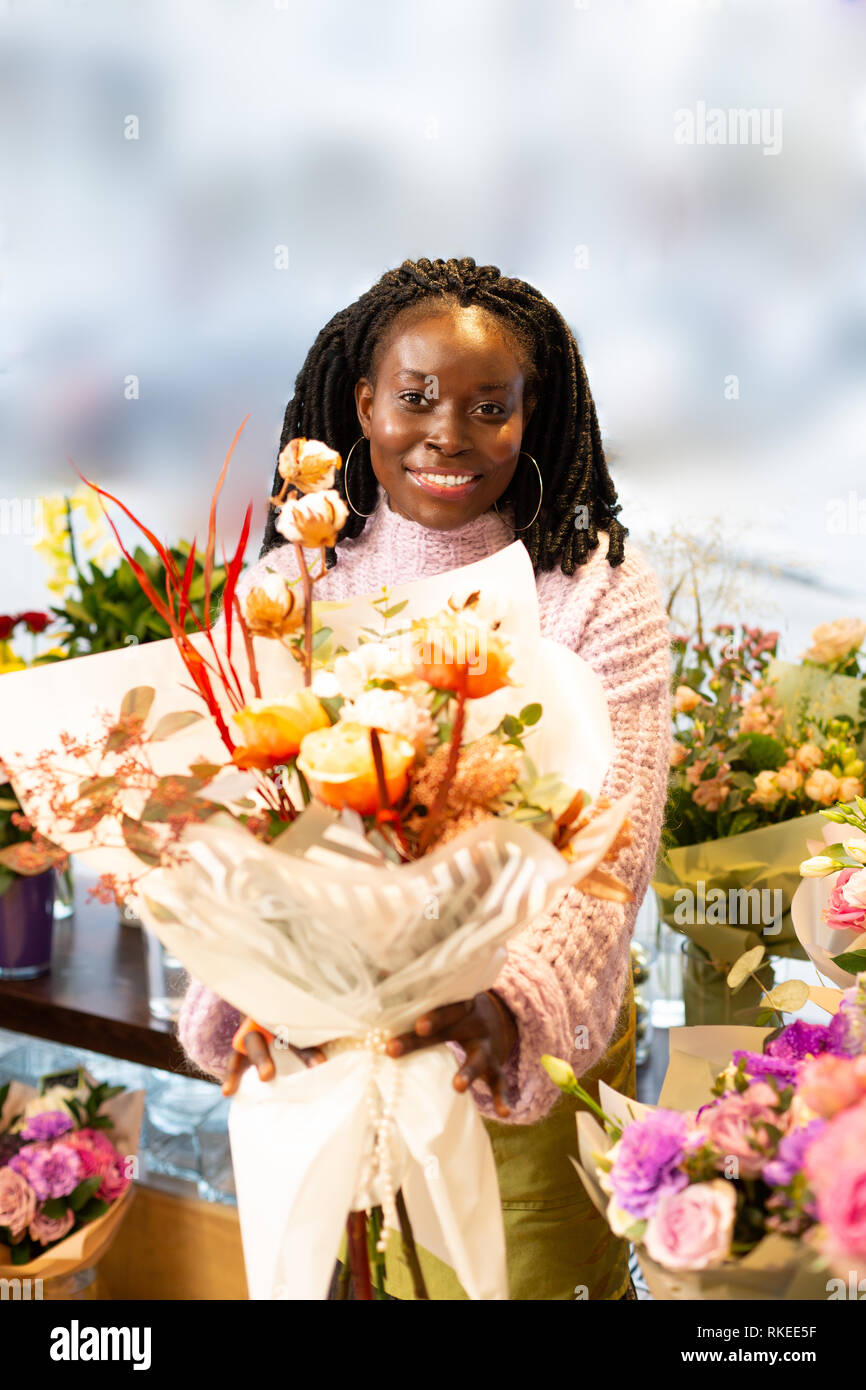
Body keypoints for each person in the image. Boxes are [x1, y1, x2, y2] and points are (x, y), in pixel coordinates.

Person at [177, 255, 672, 1300]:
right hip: (323, 1043)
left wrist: (509, 1003)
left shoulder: (595, 595)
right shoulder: (290, 584)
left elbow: (612, 847)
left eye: (487, 406)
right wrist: (243, 984)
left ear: (532, 418)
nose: (445, 433)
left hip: (507, 1056)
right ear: (362, 402)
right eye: (413, 398)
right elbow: (239, 820)